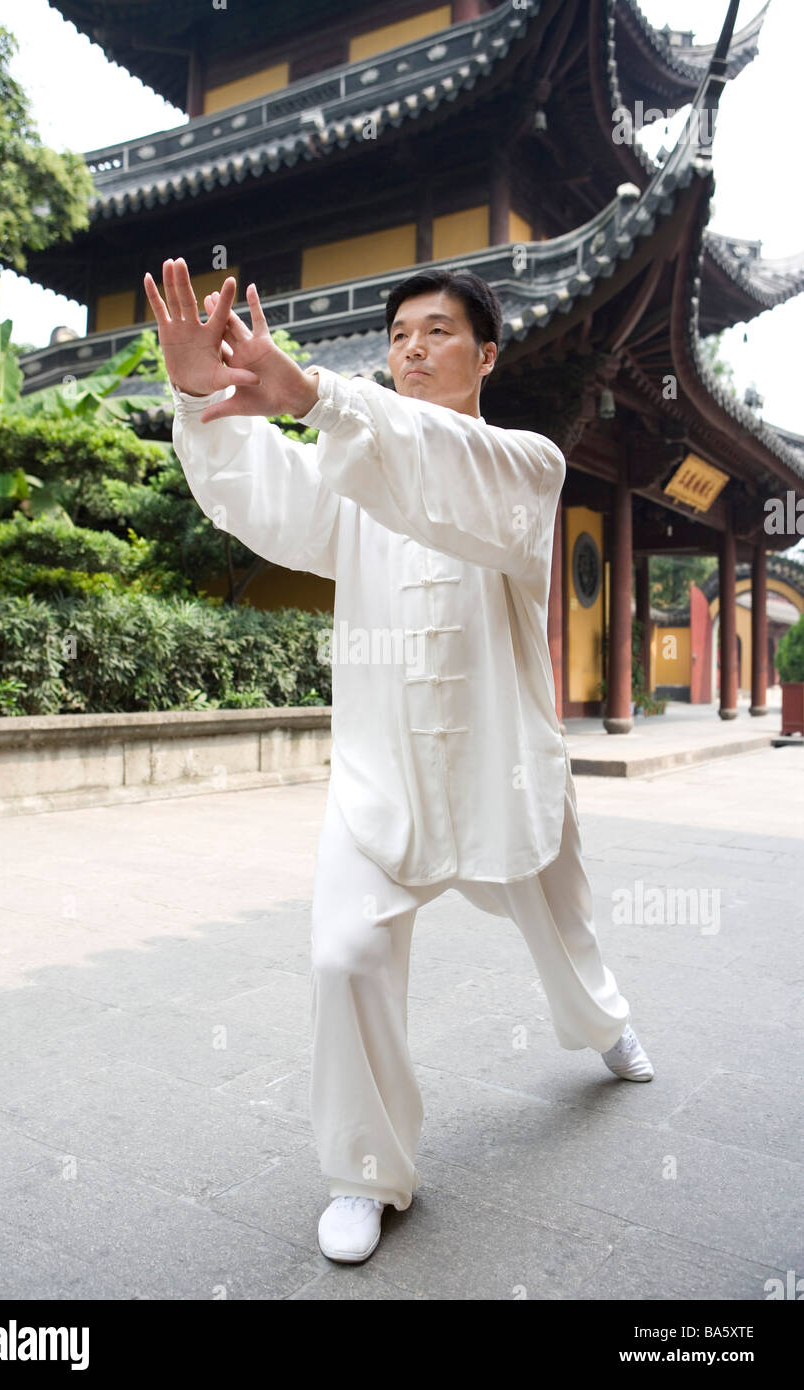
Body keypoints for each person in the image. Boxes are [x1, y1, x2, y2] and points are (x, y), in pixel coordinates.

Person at [143, 257, 654, 1266]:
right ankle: (365, 1173)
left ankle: (605, 1027)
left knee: (563, 930)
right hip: (379, 774)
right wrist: (204, 391)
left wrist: (320, 393)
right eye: (398, 336)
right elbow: (268, 489)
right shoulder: (354, 470)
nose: (411, 349)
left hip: (501, 768)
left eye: (436, 332)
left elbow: (442, 473)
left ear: (486, 353)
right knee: (342, 954)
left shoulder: (524, 468)